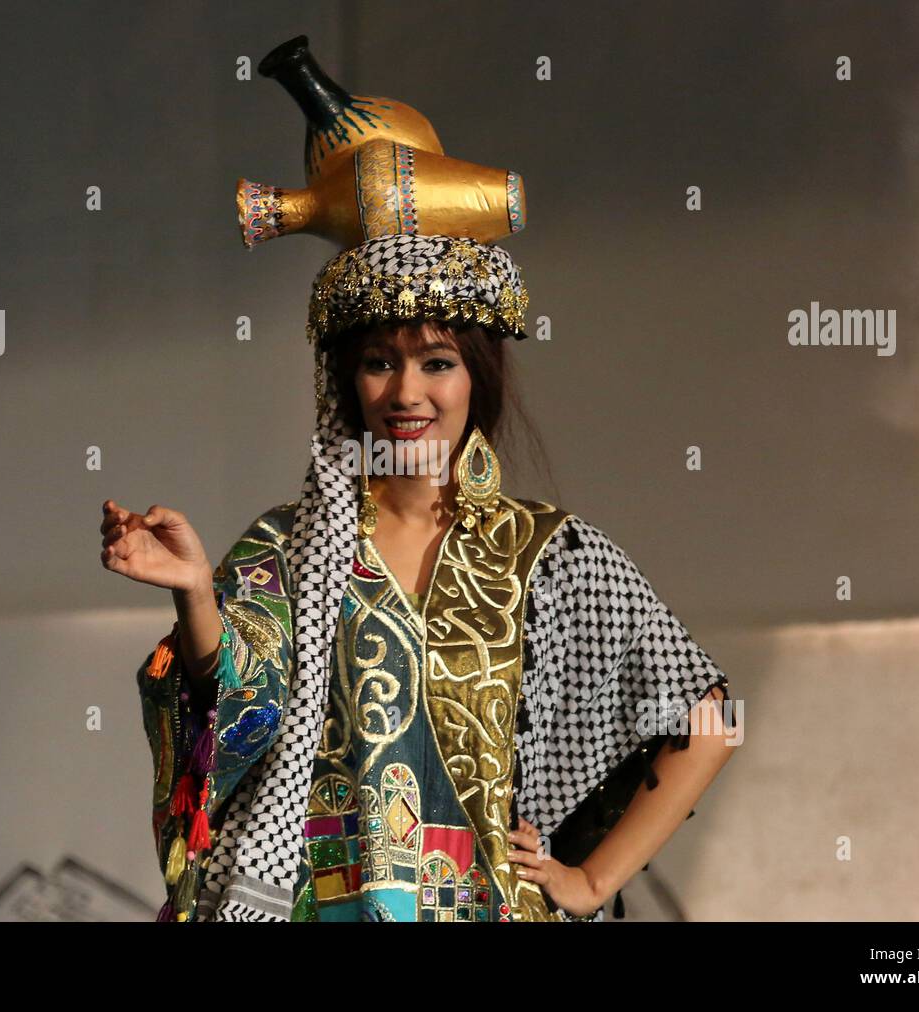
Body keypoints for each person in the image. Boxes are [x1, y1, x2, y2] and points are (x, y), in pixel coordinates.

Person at [99, 39, 741, 923]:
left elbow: (705, 715)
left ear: (476, 375)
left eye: (436, 362)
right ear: (345, 383)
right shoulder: (287, 547)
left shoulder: (545, 554)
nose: (407, 393)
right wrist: (195, 594)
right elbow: (230, 713)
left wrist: (592, 881)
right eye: (377, 363)